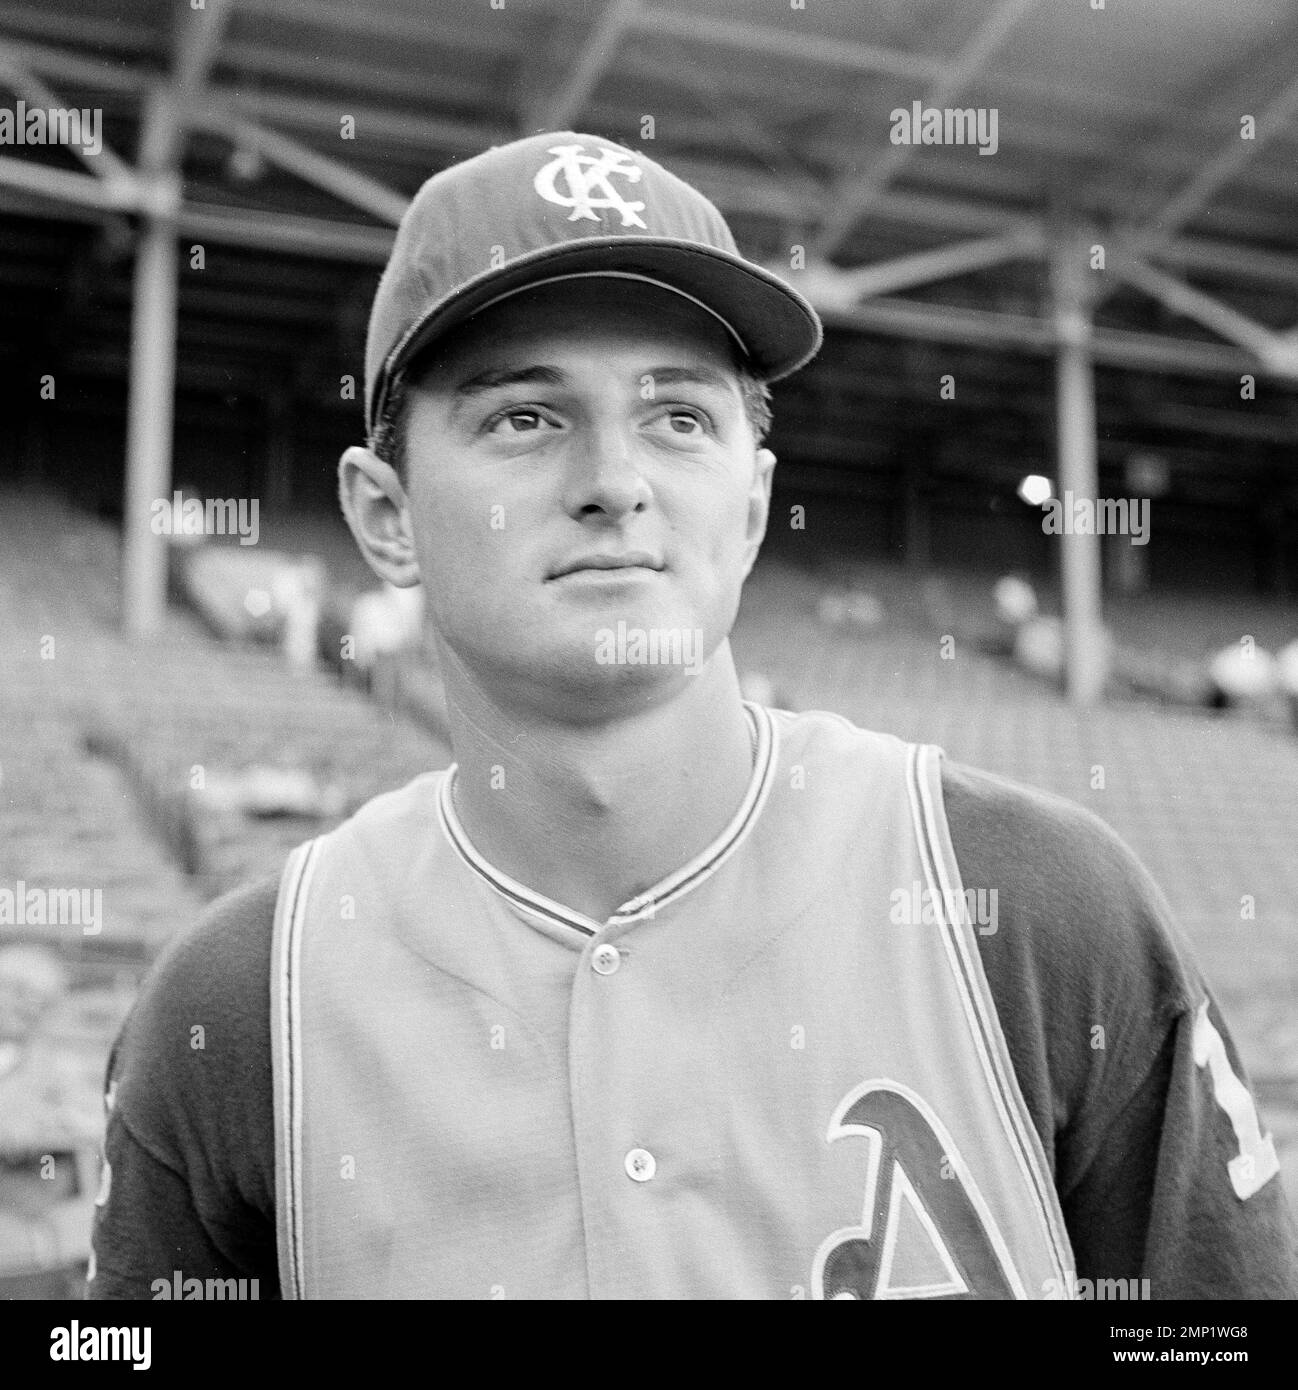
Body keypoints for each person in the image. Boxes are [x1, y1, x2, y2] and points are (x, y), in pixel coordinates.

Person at [90, 132, 1297, 1301]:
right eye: (525, 416)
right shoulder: (238, 1008)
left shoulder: (1038, 904)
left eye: (678, 417)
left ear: (756, 502)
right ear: (384, 515)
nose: (616, 480)